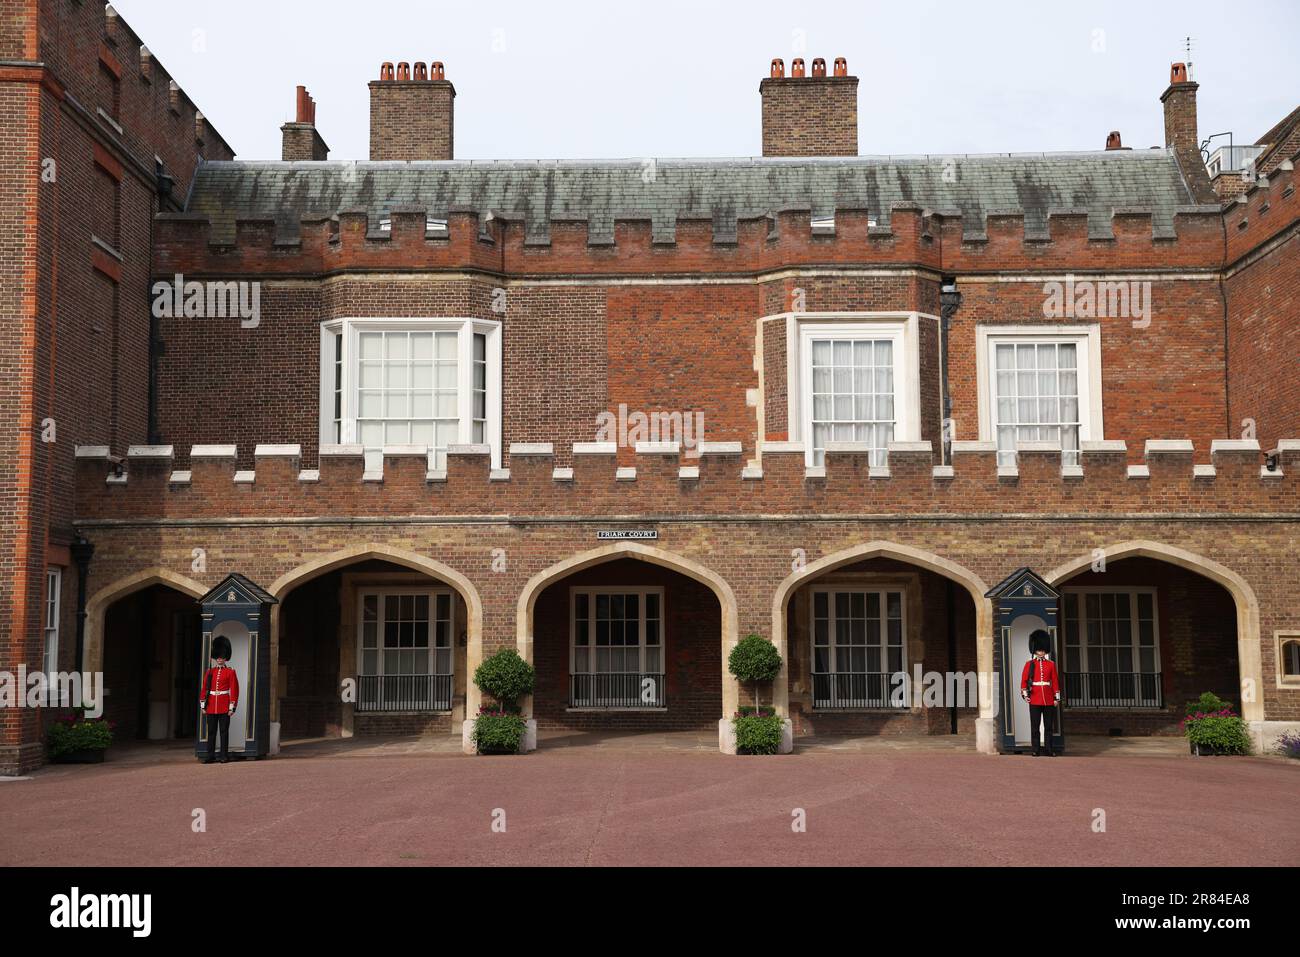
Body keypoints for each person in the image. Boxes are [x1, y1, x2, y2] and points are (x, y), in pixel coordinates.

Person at [1019, 629, 1060, 756]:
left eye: (1043, 650)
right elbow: (1024, 681)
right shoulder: (1029, 664)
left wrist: (1056, 698)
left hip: (1048, 699)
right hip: (1035, 698)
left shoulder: (1051, 665)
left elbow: (1055, 681)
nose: (1041, 652)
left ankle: (1049, 749)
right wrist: (1025, 696)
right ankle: (1035, 749)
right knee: (1035, 727)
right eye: (1039, 650)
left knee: (1048, 727)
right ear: (1035, 650)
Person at [200, 636, 239, 764]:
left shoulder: (230, 672)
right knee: (211, 732)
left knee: (223, 732)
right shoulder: (210, 672)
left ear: (225, 657)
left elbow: (234, 690)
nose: (220, 659)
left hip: (223, 706)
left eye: (222, 656)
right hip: (211, 706)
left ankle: (223, 755)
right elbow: (205, 688)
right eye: (218, 656)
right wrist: (203, 705)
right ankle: (210, 755)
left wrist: (231, 707)